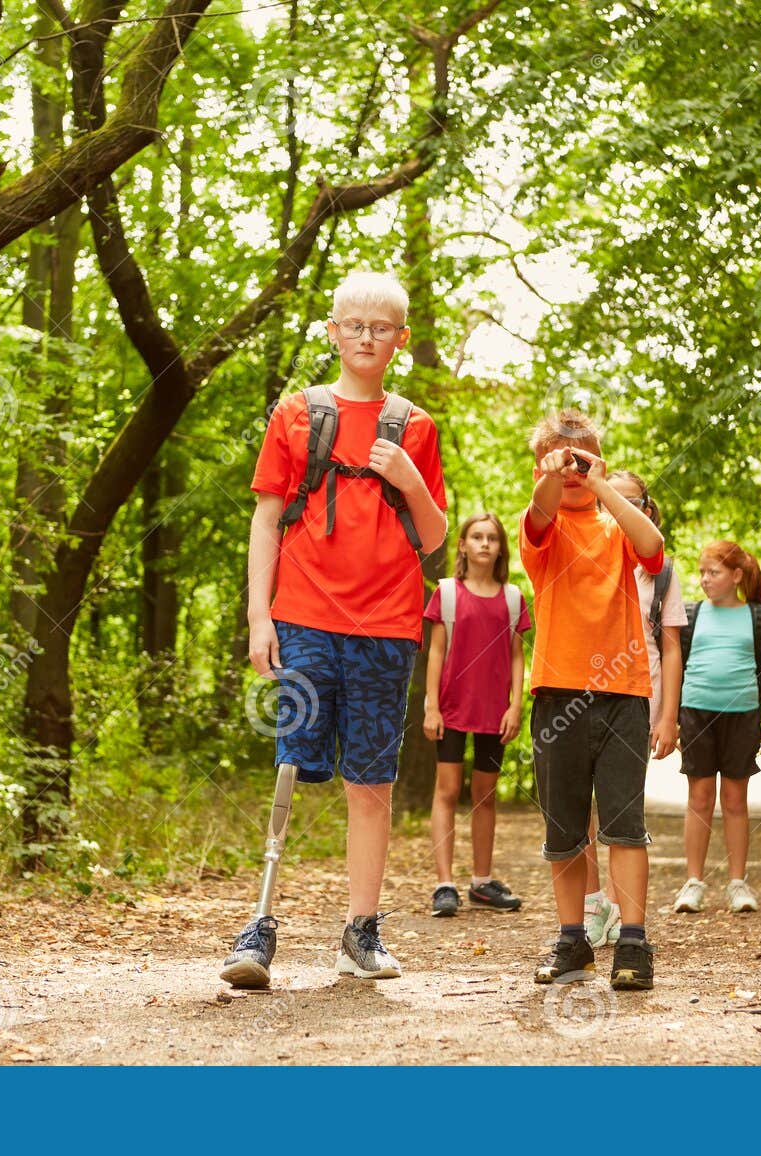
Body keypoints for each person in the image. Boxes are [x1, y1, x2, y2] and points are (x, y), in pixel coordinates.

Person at [220, 271, 447, 988]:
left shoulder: (415, 426)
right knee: (292, 759)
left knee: (371, 781)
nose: (367, 337)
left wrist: (409, 478)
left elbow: (434, 539)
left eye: (381, 327)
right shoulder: (296, 414)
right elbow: (265, 519)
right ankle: (258, 927)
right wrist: (260, 617)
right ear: (334, 332)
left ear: (400, 339)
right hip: (305, 617)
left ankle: (361, 929)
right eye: (355, 325)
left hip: (387, 625)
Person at [521, 410, 665, 991]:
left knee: (625, 826)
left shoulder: (616, 529)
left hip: (623, 692)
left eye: (582, 457)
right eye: (560, 458)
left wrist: (602, 483)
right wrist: (554, 475)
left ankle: (632, 942)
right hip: (559, 694)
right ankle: (572, 941)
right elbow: (536, 513)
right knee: (565, 830)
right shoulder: (545, 529)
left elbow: (653, 547)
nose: (572, 468)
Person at [581, 471, 685, 947]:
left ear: (647, 508)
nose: (617, 509)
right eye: (608, 500)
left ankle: (626, 913)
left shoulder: (661, 571)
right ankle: (592, 904)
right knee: (578, 810)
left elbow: (671, 647)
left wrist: (668, 716)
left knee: (622, 807)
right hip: (578, 693)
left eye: (630, 501)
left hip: (638, 697)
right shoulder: (582, 557)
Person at [423, 513, 530, 916]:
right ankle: (444, 884)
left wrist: (515, 705)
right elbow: (436, 651)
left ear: (501, 548)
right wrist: (431, 705)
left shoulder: (513, 598)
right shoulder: (447, 593)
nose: (485, 544)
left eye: (492, 538)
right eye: (477, 537)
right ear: (463, 545)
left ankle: (482, 882)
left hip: (493, 711)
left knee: (484, 796)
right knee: (447, 791)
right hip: (451, 708)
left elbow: (518, 655)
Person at [671, 540, 761, 915]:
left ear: (736, 576)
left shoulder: (757, 616)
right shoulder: (690, 615)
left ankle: (737, 883)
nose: (704, 579)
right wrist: (671, 719)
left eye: (712, 572)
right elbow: (676, 669)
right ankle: (694, 882)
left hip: (743, 716)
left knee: (735, 801)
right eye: (701, 572)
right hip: (696, 712)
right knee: (699, 799)